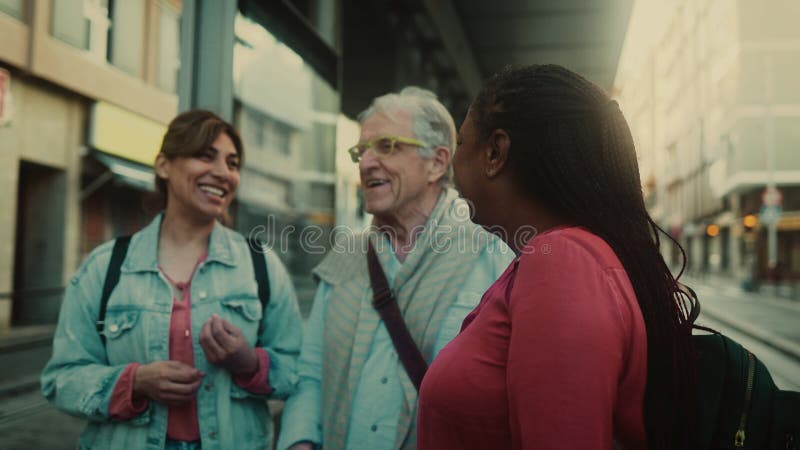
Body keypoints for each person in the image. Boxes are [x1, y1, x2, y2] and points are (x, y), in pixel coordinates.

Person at [417, 65, 697, 450]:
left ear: (495, 152)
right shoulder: (572, 256)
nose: (451, 170)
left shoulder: (562, 263)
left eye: (461, 145)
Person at [41, 110, 302, 450]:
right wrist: (133, 382)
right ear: (164, 165)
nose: (223, 173)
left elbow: (298, 369)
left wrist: (250, 363)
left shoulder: (260, 265)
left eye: (233, 163)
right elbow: (61, 378)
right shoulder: (105, 267)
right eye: (205, 156)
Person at [276, 87, 513, 450]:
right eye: (361, 150)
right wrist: (300, 442)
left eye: (386, 146)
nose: (366, 162)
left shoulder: (491, 252)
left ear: (437, 162)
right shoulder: (346, 256)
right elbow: (310, 376)